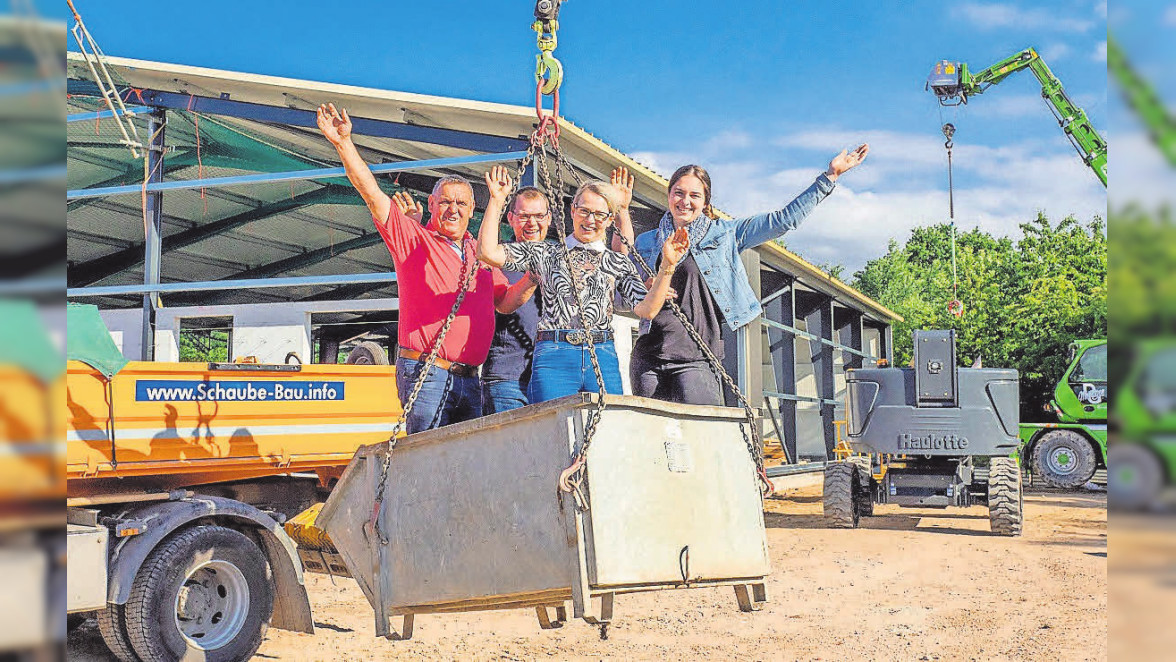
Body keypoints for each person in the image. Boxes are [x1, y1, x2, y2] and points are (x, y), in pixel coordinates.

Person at [316, 103, 534, 433]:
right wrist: (343, 143)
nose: (453, 209)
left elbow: (506, 301)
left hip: (470, 378)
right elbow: (371, 192)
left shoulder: (480, 252)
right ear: (431, 205)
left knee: (466, 463)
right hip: (427, 373)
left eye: (461, 203)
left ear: (472, 209)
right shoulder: (413, 239)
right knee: (429, 462)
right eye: (445, 201)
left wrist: (535, 274)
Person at [613, 145, 870, 405]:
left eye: (694, 195)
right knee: (654, 439)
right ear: (668, 196)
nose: (685, 202)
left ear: (705, 202)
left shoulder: (725, 234)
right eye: (678, 193)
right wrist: (645, 286)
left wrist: (829, 177)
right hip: (649, 357)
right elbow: (621, 285)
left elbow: (782, 221)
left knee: (705, 435)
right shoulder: (648, 242)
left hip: (697, 356)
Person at [477, 166, 689, 403]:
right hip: (554, 355)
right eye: (584, 211)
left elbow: (646, 309)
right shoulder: (546, 252)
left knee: (607, 429)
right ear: (572, 211)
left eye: (599, 214)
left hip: (602, 354)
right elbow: (487, 253)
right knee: (552, 431)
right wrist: (496, 201)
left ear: (610, 220)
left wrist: (667, 266)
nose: (590, 220)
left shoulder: (617, 261)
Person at [481, 186, 551, 414]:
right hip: (507, 378)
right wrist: (496, 200)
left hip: (549, 377)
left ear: (549, 218)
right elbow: (485, 251)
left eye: (539, 216)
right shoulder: (499, 258)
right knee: (508, 449)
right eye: (524, 216)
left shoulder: (559, 258)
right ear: (511, 219)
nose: (532, 223)